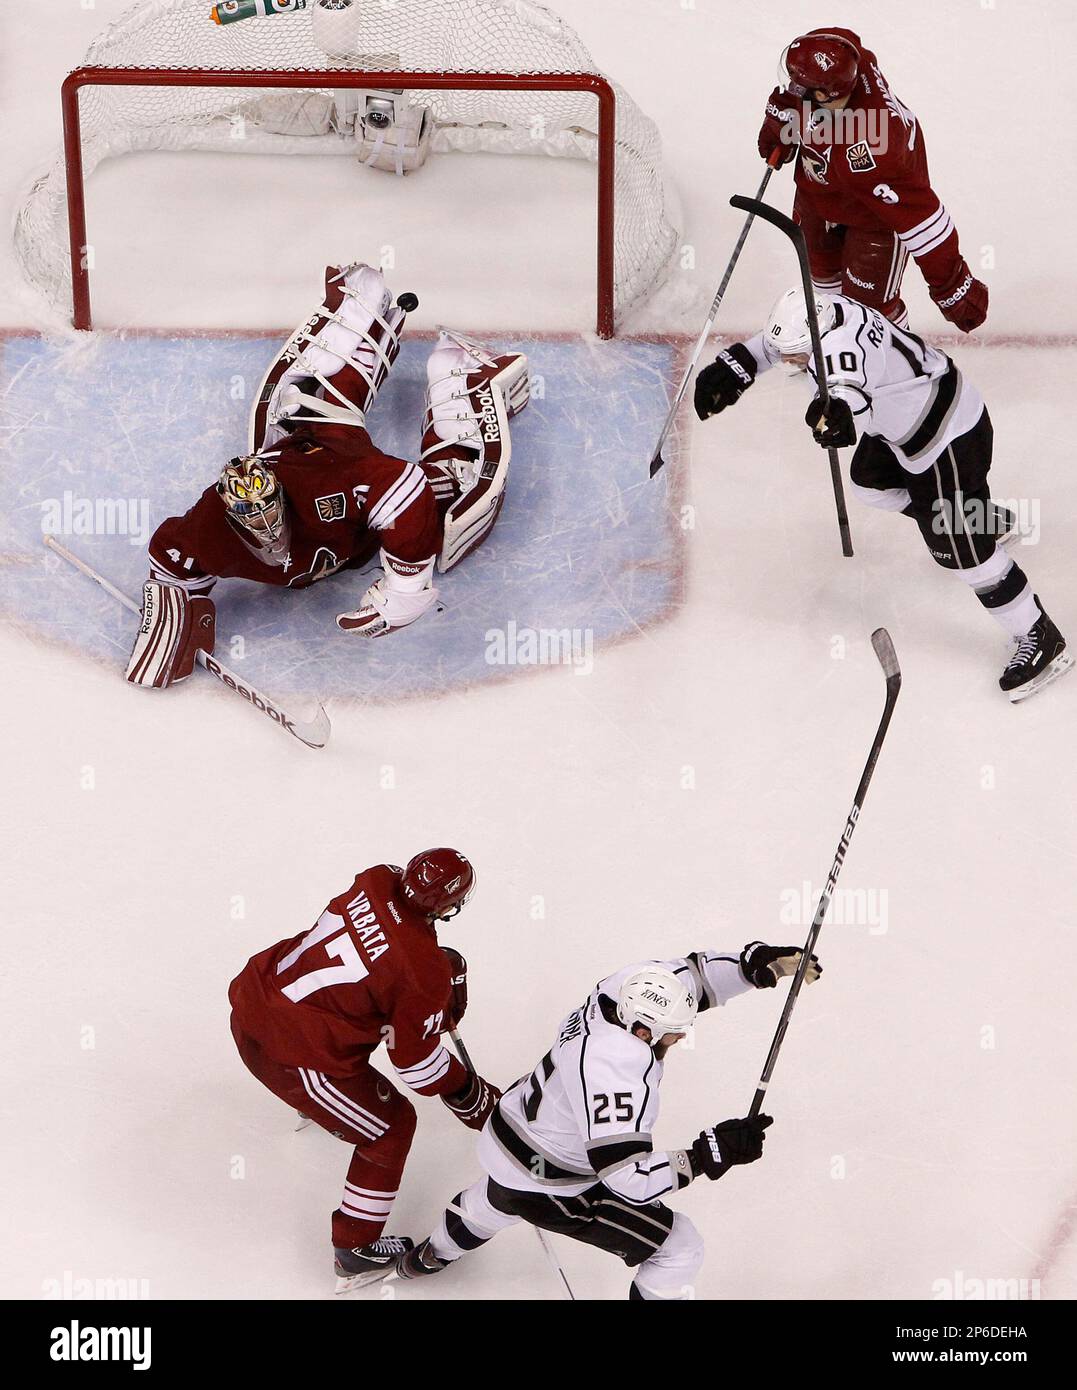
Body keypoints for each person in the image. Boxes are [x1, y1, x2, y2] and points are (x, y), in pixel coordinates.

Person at [125, 263, 529, 687]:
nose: (267, 527)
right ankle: (369, 335)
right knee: (325, 419)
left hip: (331, 464)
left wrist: (406, 587)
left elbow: (405, 486)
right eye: (251, 517)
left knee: (447, 498)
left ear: (280, 496)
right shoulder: (210, 525)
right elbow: (172, 557)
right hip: (313, 464)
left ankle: (460, 374)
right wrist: (172, 611)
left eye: (269, 510)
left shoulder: (325, 485)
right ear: (230, 516)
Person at [694, 288, 1071, 701]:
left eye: (795, 357)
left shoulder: (841, 355)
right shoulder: (822, 311)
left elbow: (847, 395)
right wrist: (739, 365)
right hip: (914, 422)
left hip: (945, 438)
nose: (788, 363)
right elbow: (778, 344)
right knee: (869, 482)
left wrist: (834, 416)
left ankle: (1038, 634)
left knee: (956, 547)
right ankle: (981, 517)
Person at [393, 942, 821, 1300]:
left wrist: (751, 966)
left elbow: (684, 979)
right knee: (679, 1248)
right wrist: (711, 1151)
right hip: (550, 1181)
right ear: (641, 1034)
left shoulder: (616, 994)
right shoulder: (615, 1068)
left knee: (494, 1199)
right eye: (673, 1034)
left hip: (508, 1136)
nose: (681, 1038)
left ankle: (428, 1258)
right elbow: (627, 1180)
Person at [227, 848, 501, 1291]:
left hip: (254, 999)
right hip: (289, 1057)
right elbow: (416, 1068)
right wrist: (467, 1089)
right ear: (450, 906)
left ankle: (320, 1106)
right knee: (391, 1128)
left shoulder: (375, 879)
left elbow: (383, 954)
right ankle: (353, 1249)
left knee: (355, 1013)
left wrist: (425, 994)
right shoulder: (422, 975)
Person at [757, 27, 987, 333]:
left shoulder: (875, 152)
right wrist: (781, 123)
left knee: (868, 312)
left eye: (803, 87)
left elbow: (922, 218)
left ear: (826, 95)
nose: (794, 89)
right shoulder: (845, 51)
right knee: (824, 287)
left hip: (874, 217)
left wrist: (952, 286)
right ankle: (836, 351)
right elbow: (804, 84)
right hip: (819, 194)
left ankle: (894, 366)